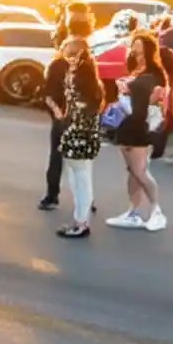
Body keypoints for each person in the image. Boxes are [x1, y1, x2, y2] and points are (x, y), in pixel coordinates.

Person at [107, 31, 169, 232]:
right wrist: (126, 87)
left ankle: (156, 211)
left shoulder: (155, 73)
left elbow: (155, 99)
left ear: (148, 48)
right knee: (132, 172)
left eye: (140, 44)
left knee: (140, 171)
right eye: (134, 43)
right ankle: (133, 212)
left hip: (141, 126)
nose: (135, 47)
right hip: (127, 125)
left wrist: (130, 89)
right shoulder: (135, 69)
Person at [40, 6, 95, 209]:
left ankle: (54, 195)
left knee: (64, 156)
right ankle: (79, 197)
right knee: (78, 159)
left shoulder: (68, 61)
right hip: (72, 114)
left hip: (70, 114)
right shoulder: (83, 60)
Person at [50, 37, 103, 238]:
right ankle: (81, 219)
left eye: (68, 51)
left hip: (78, 130)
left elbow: (76, 105)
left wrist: (66, 120)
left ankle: (81, 223)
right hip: (86, 129)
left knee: (79, 179)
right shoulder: (90, 74)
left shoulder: (79, 75)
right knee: (81, 175)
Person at [129, 17, 173, 160]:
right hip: (149, 113)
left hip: (152, 113)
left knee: (140, 166)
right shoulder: (141, 59)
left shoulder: (165, 57)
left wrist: (171, 111)